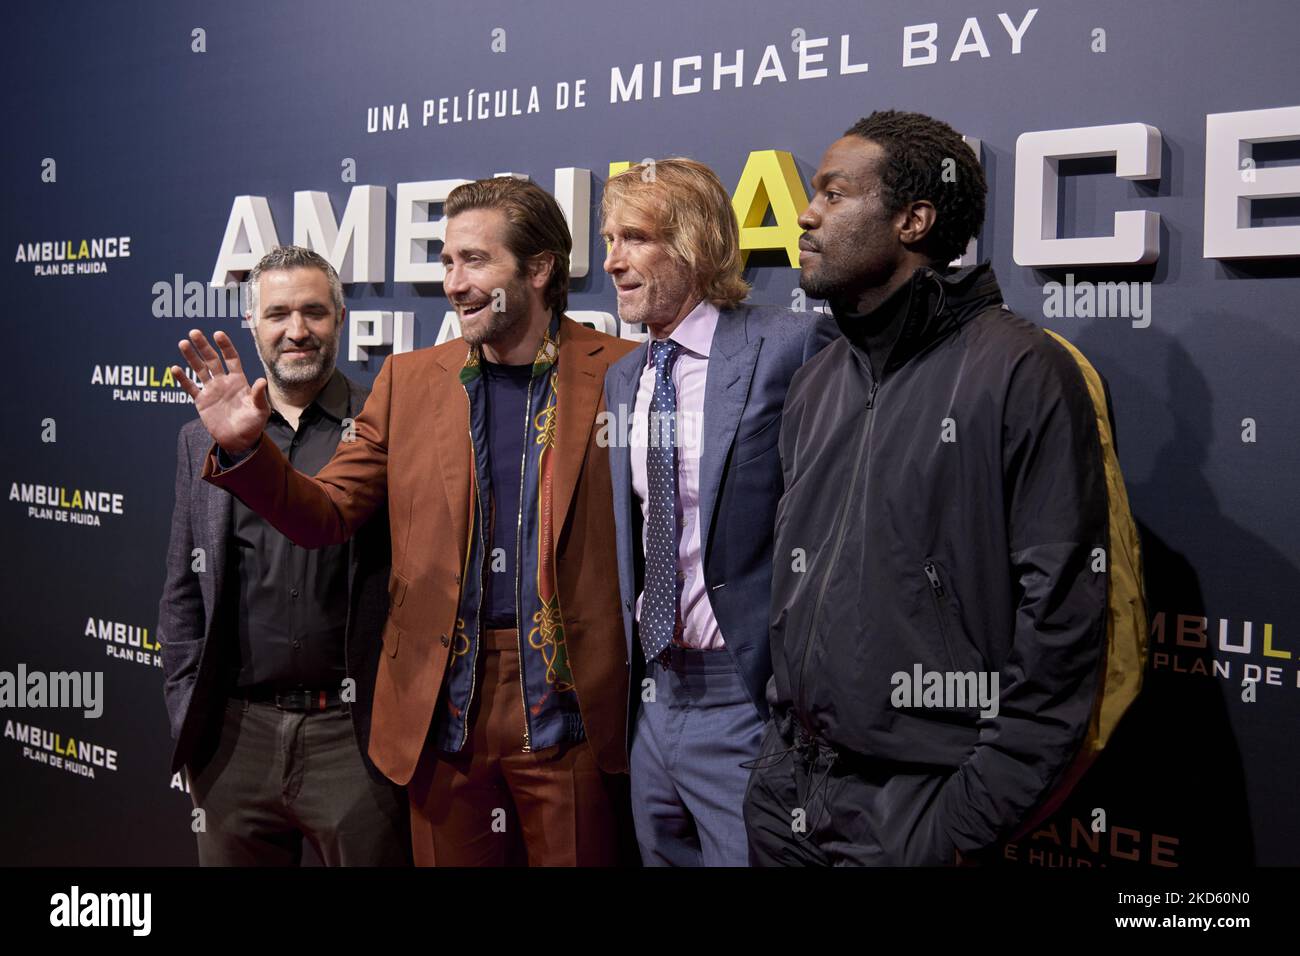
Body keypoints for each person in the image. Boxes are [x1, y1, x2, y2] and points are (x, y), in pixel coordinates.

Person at [171, 178, 638, 866]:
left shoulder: (623, 373)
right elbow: (326, 511)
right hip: (441, 711)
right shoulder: (410, 380)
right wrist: (247, 450)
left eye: (474, 261)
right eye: (446, 262)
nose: (453, 283)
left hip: (569, 713)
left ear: (539, 268)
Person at [745, 110, 1113, 866]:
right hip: (789, 794)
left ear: (914, 219)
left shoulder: (1022, 370)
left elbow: (1062, 616)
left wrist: (966, 816)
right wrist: (773, 764)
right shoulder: (818, 379)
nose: (807, 216)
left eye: (833, 194)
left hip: (918, 811)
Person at [601, 158, 835, 865]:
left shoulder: (789, 345)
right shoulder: (625, 377)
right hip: (654, 696)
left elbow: (834, 520)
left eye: (634, 237)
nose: (613, 261)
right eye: (608, 239)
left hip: (749, 699)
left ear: (695, 242)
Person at [158, 245, 410, 866]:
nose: (297, 331)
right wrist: (189, 718)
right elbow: (182, 594)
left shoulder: (386, 425)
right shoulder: (203, 439)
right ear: (253, 324)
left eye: (314, 312)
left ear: (341, 319)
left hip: (354, 744)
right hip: (234, 741)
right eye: (278, 314)